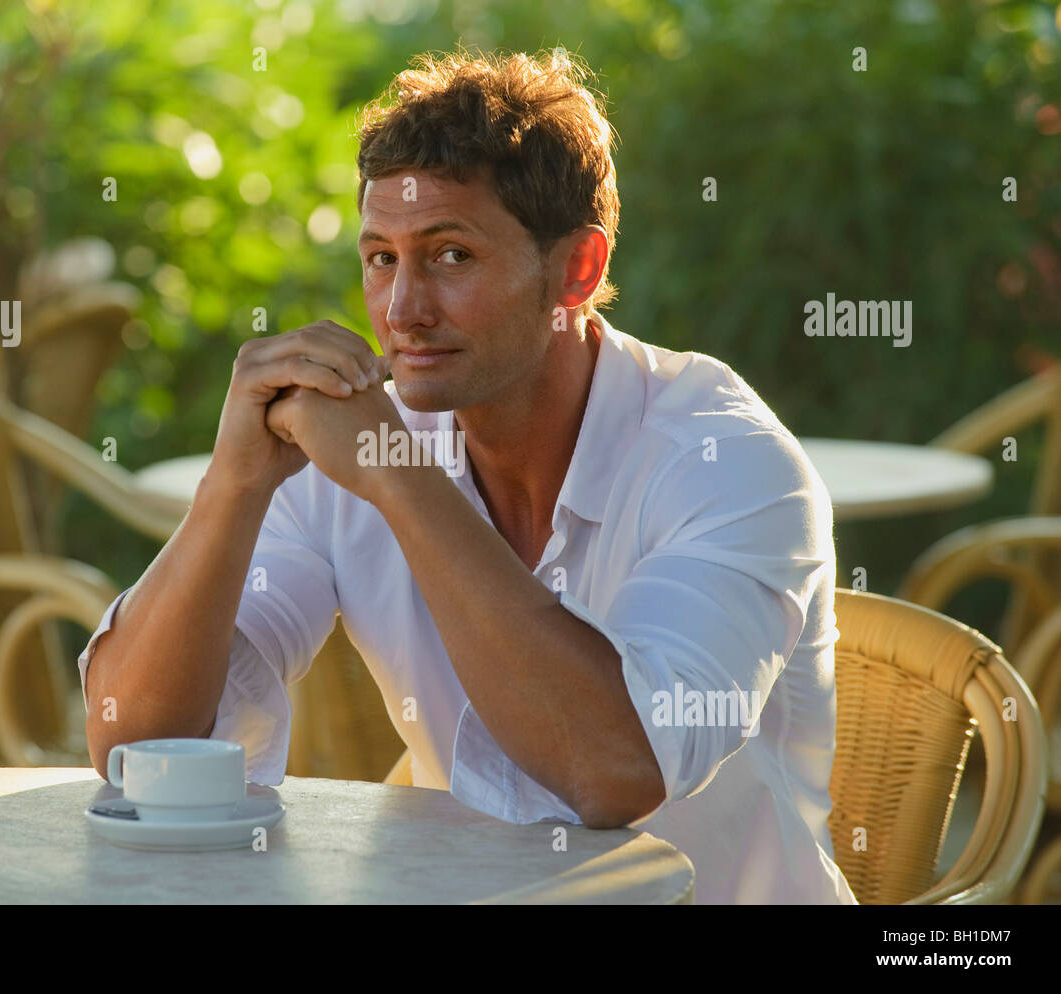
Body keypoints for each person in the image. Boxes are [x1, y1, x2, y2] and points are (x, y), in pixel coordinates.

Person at [78, 49, 857, 904]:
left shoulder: (728, 461)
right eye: (381, 258)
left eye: (451, 256)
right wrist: (232, 488)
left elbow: (615, 772)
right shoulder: (367, 433)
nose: (403, 310)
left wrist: (404, 481)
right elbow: (131, 739)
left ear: (577, 271)